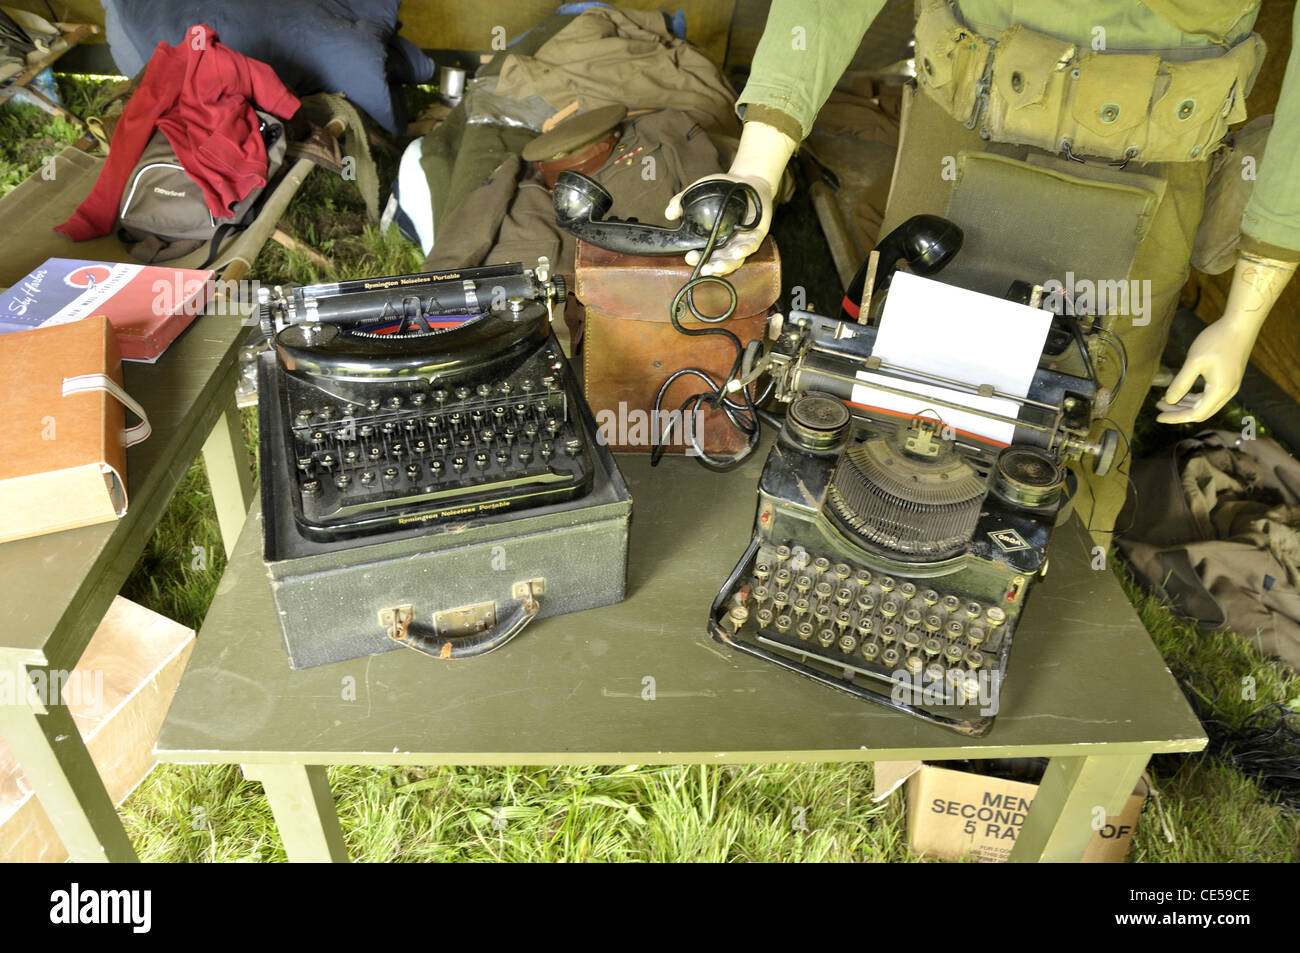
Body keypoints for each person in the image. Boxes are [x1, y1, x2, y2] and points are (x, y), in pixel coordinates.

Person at [667, 0, 1300, 538]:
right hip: (963, 117)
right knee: (886, 410)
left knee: (1070, 448)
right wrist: (757, 167)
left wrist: (1248, 309)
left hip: (1157, 163)